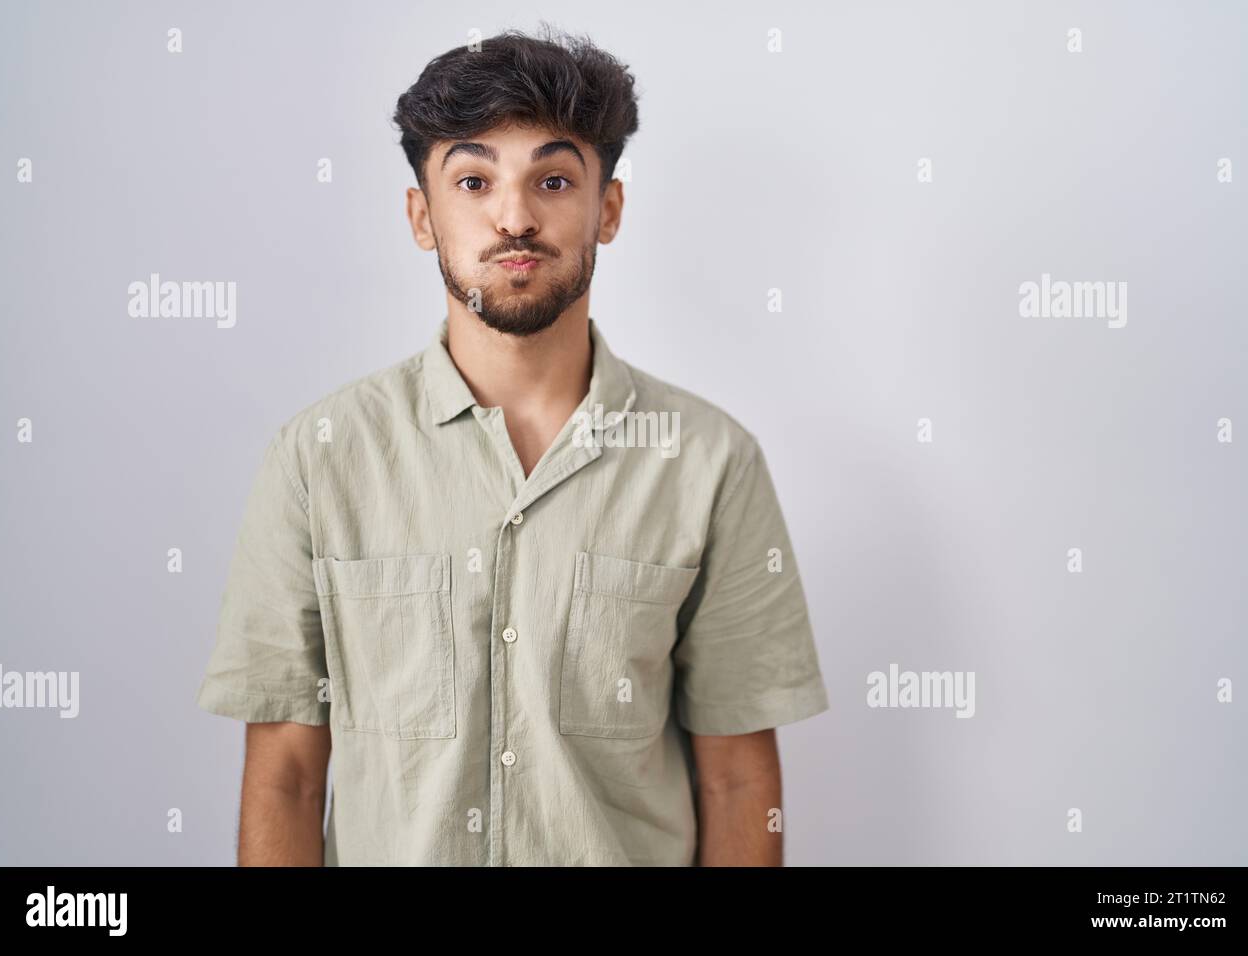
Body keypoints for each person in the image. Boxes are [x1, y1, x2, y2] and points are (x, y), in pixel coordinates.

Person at [195, 25, 829, 866]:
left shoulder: (710, 462)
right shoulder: (318, 459)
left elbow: (739, 783)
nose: (516, 216)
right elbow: (285, 777)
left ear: (608, 209)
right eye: (474, 179)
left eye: (554, 179)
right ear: (422, 215)